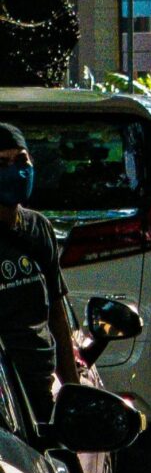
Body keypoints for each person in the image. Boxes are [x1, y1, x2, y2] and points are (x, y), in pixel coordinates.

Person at [0, 124, 81, 427]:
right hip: (7, 398)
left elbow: (57, 315)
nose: (15, 171)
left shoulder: (39, 229)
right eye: (2, 163)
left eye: (21, 160)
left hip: (43, 388)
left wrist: (72, 391)